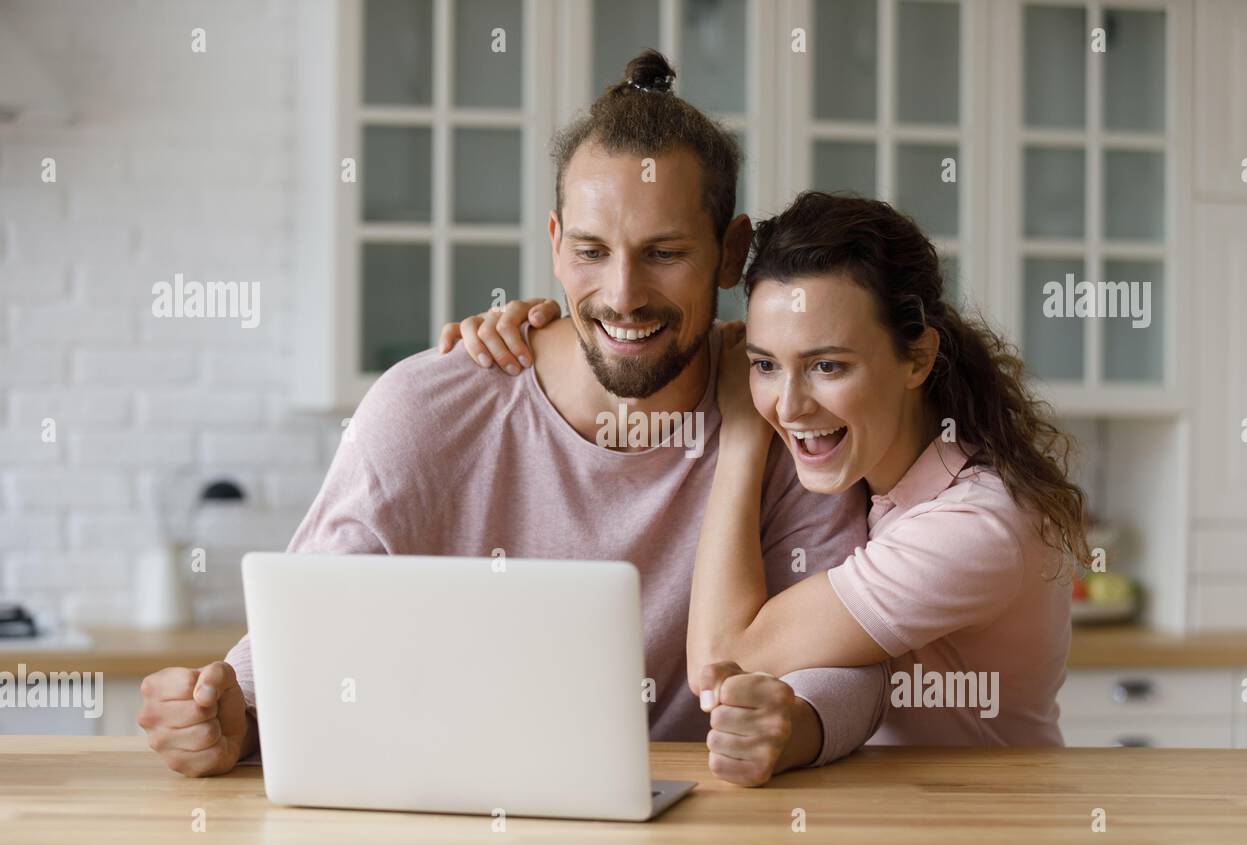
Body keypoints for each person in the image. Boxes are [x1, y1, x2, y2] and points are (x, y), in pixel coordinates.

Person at [137, 52, 889, 786]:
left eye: (663, 253)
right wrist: (232, 717)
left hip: (697, 833)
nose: (623, 295)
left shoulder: (792, 424)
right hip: (452, 817)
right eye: (593, 251)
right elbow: (302, 629)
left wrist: (798, 726)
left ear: (730, 254)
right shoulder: (429, 407)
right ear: (557, 247)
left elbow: (846, 666)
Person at [451, 192, 1087, 746]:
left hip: (988, 832)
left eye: (829, 366)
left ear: (917, 359)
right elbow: (653, 333)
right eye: (764, 364)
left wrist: (744, 436)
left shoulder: (974, 525)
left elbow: (723, 659)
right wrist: (538, 330)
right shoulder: (877, 467)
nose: (789, 404)